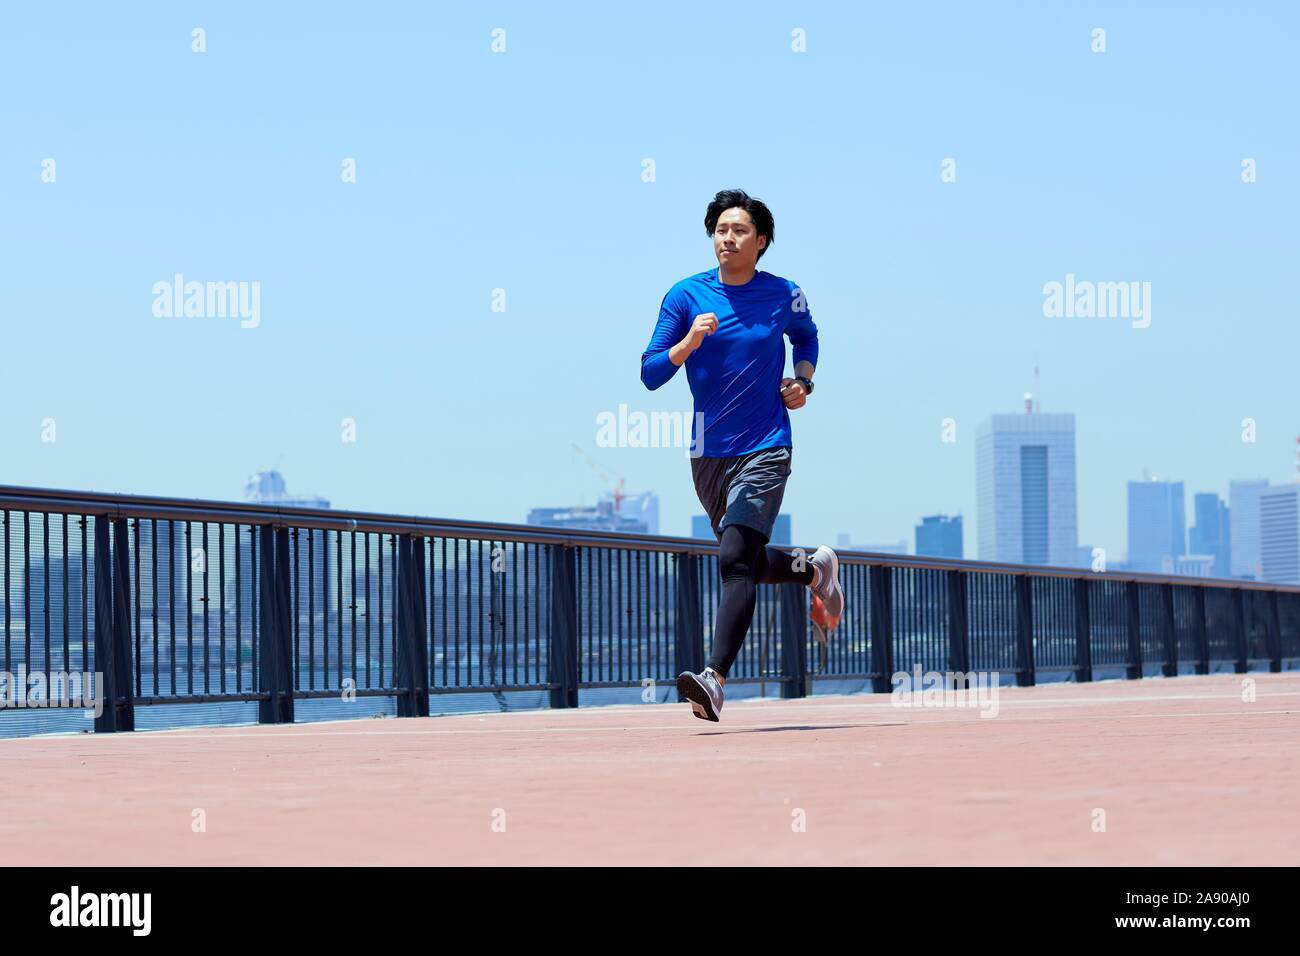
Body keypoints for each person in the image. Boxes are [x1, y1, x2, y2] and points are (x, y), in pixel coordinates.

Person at [639, 188, 844, 722]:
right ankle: (812, 569)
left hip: (767, 445)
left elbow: (808, 338)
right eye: (720, 230)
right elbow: (650, 372)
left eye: (739, 231)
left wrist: (803, 383)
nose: (727, 238)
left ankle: (714, 680)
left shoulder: (784, 293)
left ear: (762, 241)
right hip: (708, 453)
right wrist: (686, 344)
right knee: (748, 562)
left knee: (733, 561)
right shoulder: (685, 296)